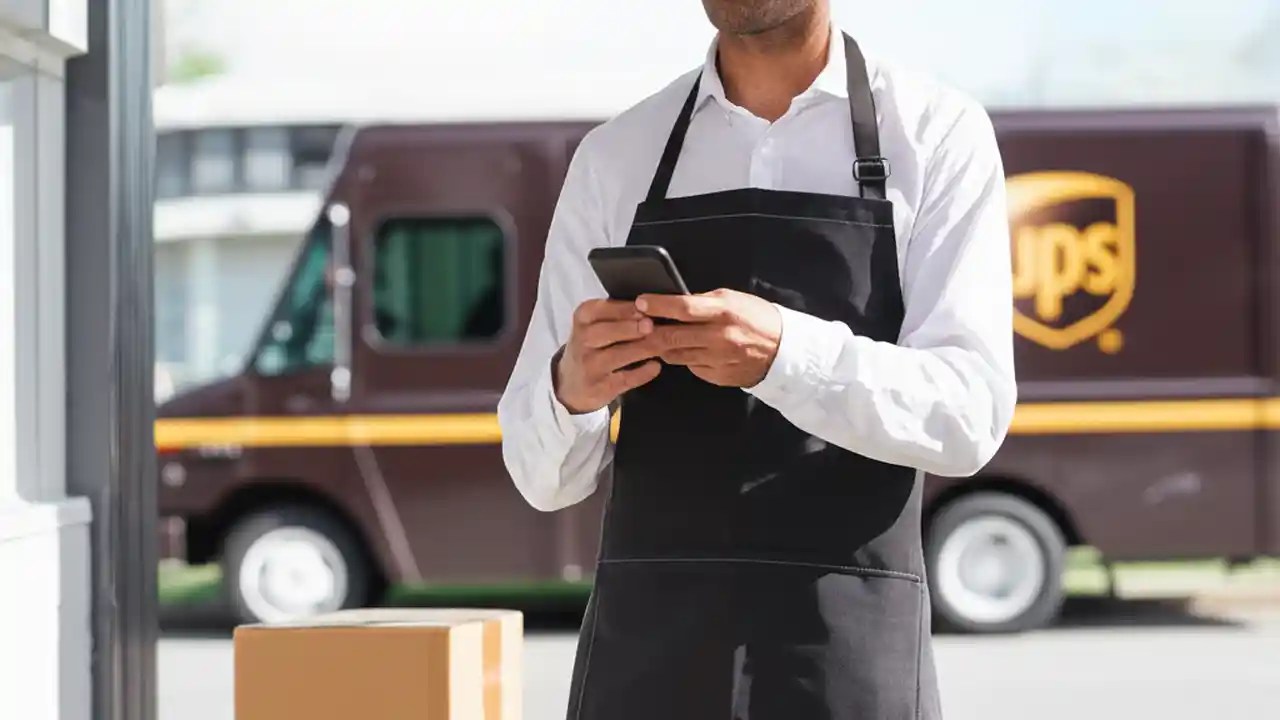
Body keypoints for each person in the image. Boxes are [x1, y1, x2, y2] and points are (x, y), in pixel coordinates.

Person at [497, 1, 1016, 717]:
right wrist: (571, 391)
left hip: (845, 650)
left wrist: (783, 353)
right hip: (648, 657)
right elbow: (540, 477)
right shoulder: (618, 155)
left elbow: (968, 412)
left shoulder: (936, 134)